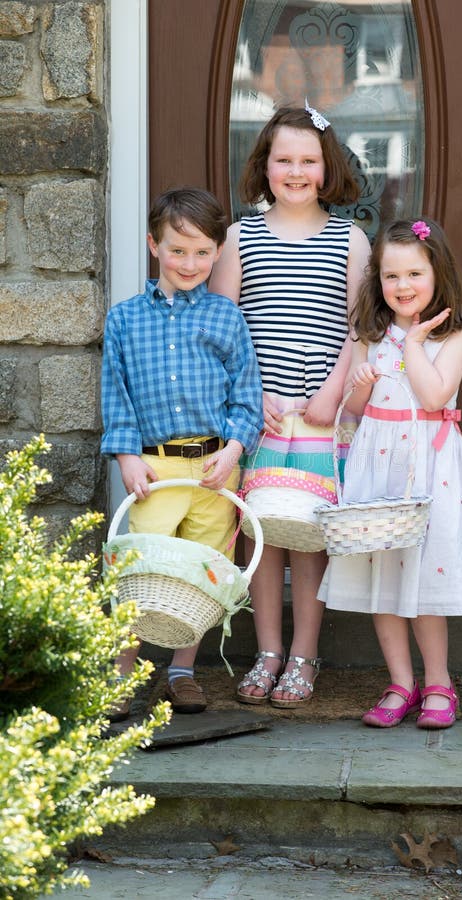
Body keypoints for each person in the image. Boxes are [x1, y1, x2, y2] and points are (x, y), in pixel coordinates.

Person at [210, 103, 371, 707]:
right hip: (262, 413)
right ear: (265, 165)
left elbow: (360, 328)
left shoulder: (348, 237)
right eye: (284, 160)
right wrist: (252, 395)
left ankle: (305, 653)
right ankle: (267, 651)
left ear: (327, 168)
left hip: (324, 417)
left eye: (309, 160)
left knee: (310, 539)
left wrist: (334, 391)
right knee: (261, 537)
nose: (296, 171)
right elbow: (225, 330)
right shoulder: (239, 236)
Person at [101, 187, 263, 719]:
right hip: (156, 467)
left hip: (216, 468)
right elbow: (116, 393)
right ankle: (122, 675)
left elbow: (246, 394)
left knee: (203, 573)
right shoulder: (125, 320)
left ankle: (182, 672)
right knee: (141, 569)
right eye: (177, 250)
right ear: (154, 245)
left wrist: (235, 448)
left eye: (201, 252)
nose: (189, 263)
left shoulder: (226, 318)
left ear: (217, 252)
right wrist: (127, 455)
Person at [318, 218, 462, 729]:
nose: (403, 286)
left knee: (425, 579)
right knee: (382, 580)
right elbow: (353, 411)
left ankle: (438, 682)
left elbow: (434, 396)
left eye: (414, 273)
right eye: (391, 277)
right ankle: (400, 683)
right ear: (378, 281)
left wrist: (413, 344)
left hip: (430, 470)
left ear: (437, 273)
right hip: (379, 465)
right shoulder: (369, 335)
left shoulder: (452, 337)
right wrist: (363, 380)